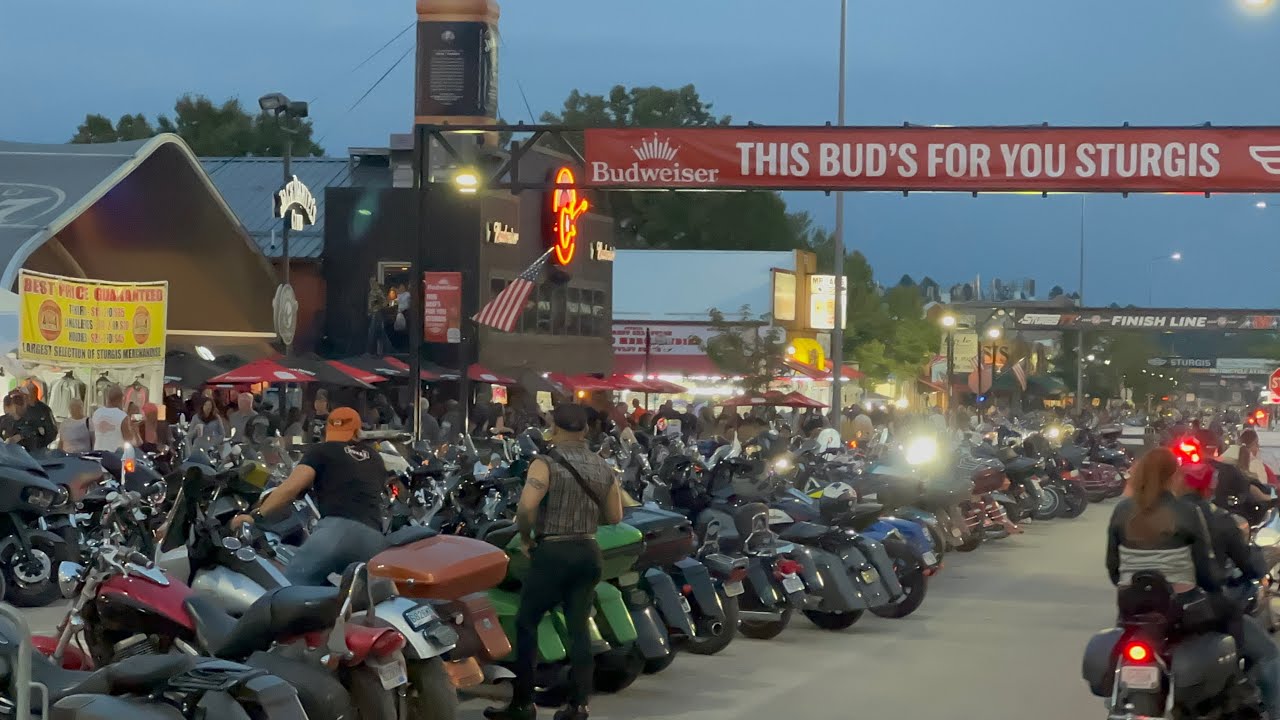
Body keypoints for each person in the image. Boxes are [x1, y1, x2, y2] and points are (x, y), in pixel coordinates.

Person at [486, 404, 623, 720]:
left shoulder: (545, 463)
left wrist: (525, 538)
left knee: (526, 622)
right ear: (585, 430)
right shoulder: (602, 466)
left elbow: (526, 508)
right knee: (579, 628)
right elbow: (615, 515)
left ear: (553, 428)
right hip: (589, 550)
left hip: (554, 551)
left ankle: (523, 704)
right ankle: (578, 706)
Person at [231, 408, 389, 585]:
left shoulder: (322, 450)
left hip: (337, 532)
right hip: (374, 539)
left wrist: (256, 516)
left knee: (288, 590)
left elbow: (291, 488)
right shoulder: (376, 458)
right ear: (358, 432)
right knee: (361, 596)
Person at [1176, 461, 1280, 715]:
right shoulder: (1217, 519)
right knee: (1269, 655)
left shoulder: (1156, 516)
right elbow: (1248, 565)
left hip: (1152, 609)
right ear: (1210, 487)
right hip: (1201, 608)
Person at [1105, 448, 1219, 594]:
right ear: (1174, 476)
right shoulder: (1188, 511)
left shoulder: (1122, 510)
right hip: (1180, 599)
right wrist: (1215, 590)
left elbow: (1112, 564)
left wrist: (1128, 586)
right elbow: (1203, 566)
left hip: (1130, 598)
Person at [11, 384, 57, 453]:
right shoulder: (21, 408)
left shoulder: (44, 410)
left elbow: (52, 430)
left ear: (34, 393)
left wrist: (41, 444)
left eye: (28, 394)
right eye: (25, 394)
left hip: (39, 449)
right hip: (21, 449)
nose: (26, 396)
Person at [90, 386, 135, 453]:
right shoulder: (122, 416)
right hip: (115, 454)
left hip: (98, 452)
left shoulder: (96, 413)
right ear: (121, 399)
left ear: (107, 398)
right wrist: (133, 429)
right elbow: (128, 439)